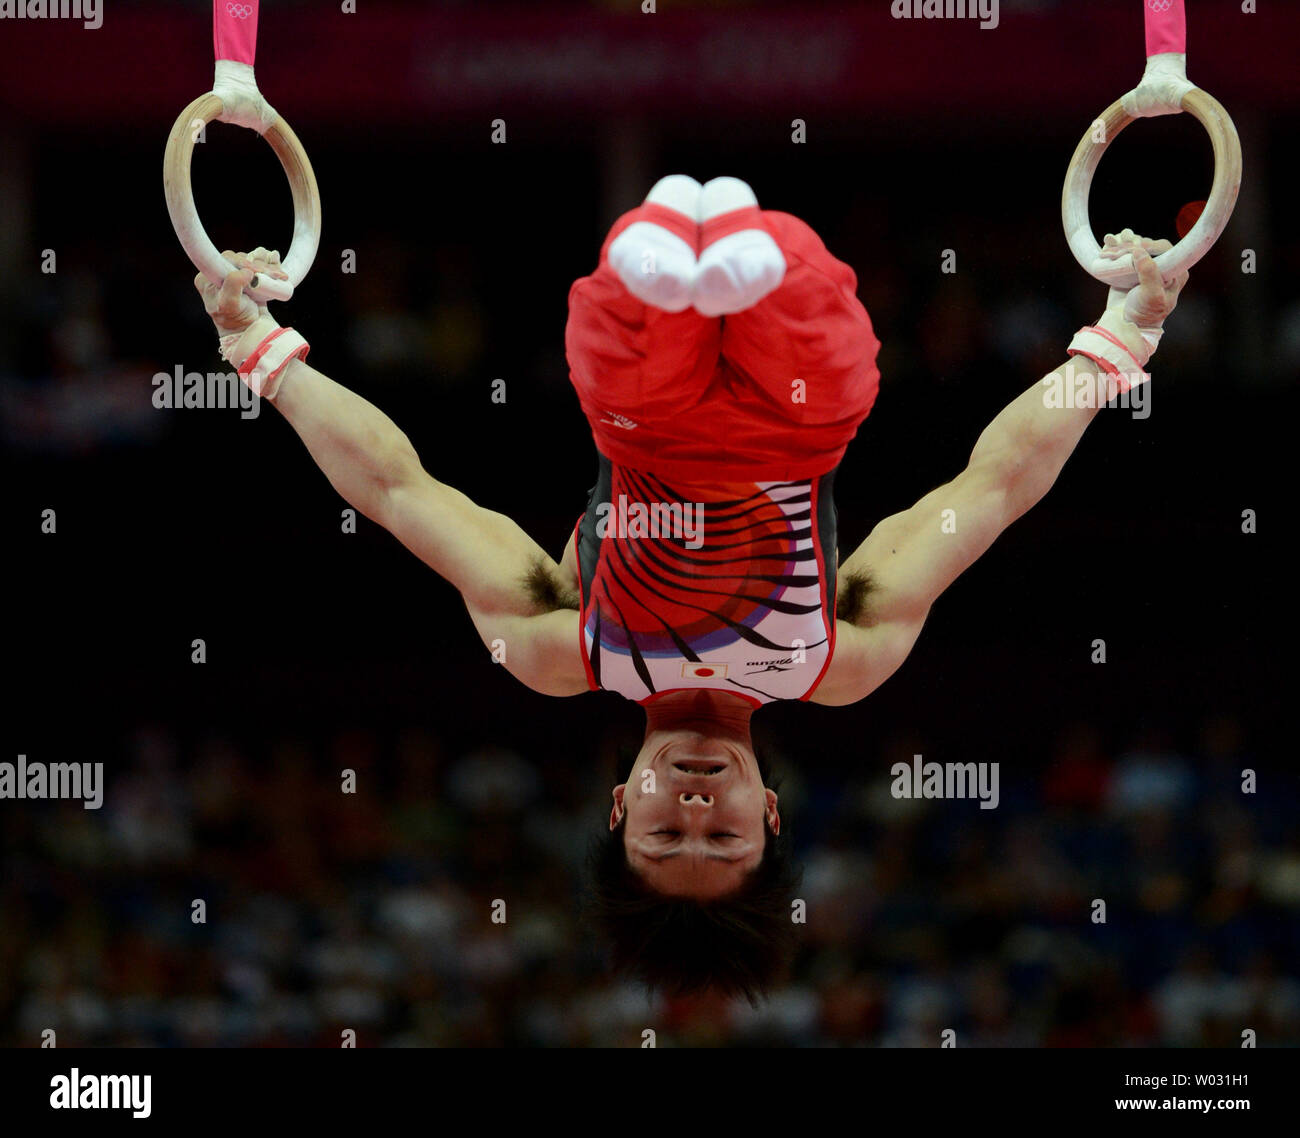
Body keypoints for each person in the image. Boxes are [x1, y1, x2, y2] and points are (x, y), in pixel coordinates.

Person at [195, 176, 1187, 999]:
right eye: (723, 832)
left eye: (668, 828)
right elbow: (992, 488)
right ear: (773, 815)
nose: (697, 799)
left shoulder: (562, 651)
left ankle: (676, 255)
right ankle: (725, 257)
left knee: (627, 346)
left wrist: (258, 350)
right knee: (801, 305)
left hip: (642, 424)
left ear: (619, 804)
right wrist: (1119, 338)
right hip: (801, 418)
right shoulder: (836, 663)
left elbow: (401, 490)